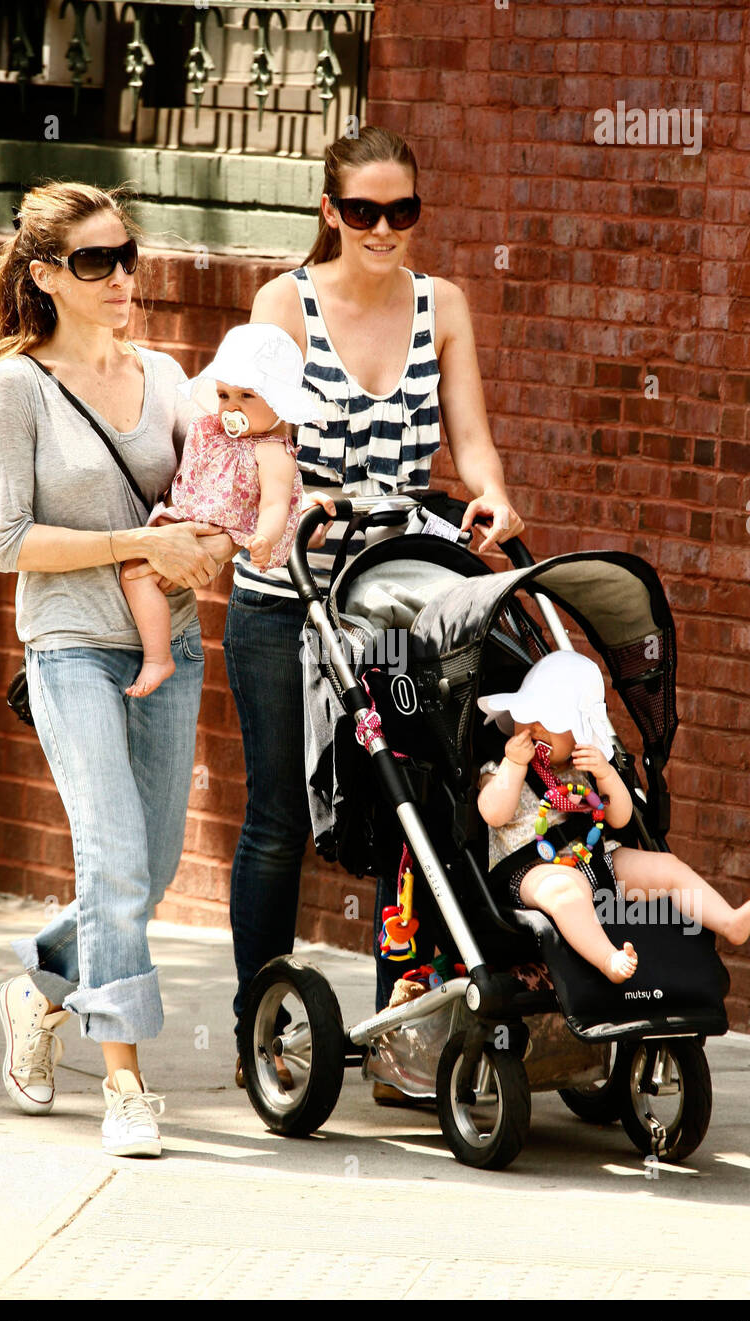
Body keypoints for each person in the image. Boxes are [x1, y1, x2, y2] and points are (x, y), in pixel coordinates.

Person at [208, 126, 525, 1099]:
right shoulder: (282, 302)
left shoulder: (444, 306)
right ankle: (258, 1025)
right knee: (275, 819)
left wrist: (492, 496)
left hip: (392, 595)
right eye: (363, 211)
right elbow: (253, 436)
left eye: (402, 211)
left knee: (408, 805)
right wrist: (305, 498)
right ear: (329, 212)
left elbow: (469, 439)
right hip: (286, 593)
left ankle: (399, 1040)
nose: (383, 229)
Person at [0, 181, 233, 1155]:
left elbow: (198, 505)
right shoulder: (16, 386)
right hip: (68, 646)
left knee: (149, 868)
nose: (122, 276)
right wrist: (134, 541)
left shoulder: (166, 376)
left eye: (127, 254)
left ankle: (37, 997)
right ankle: (124, 1082)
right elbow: (5, 541)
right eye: (94, 262)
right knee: (115, 857)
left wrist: (210, 543)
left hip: (171, 642)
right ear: (45, 276)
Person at [477, 651, 750, 983]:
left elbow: (619, 818)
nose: (533, 728)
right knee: (568, 891)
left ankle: (730, 921)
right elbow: (493, 812)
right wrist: (514, 766)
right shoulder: (499, 770)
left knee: (668, 867)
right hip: (534, 871)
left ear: (578, 732)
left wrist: (605, 773)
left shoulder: (584, 768)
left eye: (549, 722)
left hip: (597, 857)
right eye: (527, 716)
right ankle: (607, 958)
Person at [118, 324, 326, 697]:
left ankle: (157, 657)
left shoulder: (272, 452)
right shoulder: (209, 430)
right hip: (185, 522)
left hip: (218, 533)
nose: (232, 406)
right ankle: (152, 646)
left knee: (136, 575)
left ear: (278, 402)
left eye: (247, 395)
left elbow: (275, 503)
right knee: (140, 572)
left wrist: (266, 536)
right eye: (224, 394)